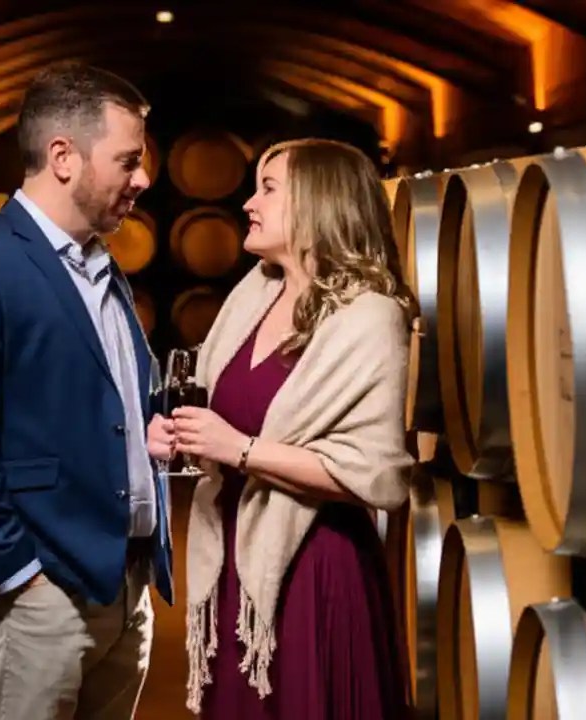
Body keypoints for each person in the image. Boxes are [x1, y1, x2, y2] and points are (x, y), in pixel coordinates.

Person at [0, 61, 172, 720]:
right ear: (63, 156)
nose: (143, 179)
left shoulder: (101, 263)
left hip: (124, 583)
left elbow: (101, 403)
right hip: (40, 593)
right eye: (127, 160)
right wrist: (17, 575)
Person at [147, 138, 415, 718]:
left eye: (268, 188)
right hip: (238, 565)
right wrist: (183, 436)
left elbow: (372, 476)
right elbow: (224, 412)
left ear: (319, 203)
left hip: (312, 565)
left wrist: (238, 449)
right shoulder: (255, 295)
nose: (247, 202)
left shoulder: (369, 316)